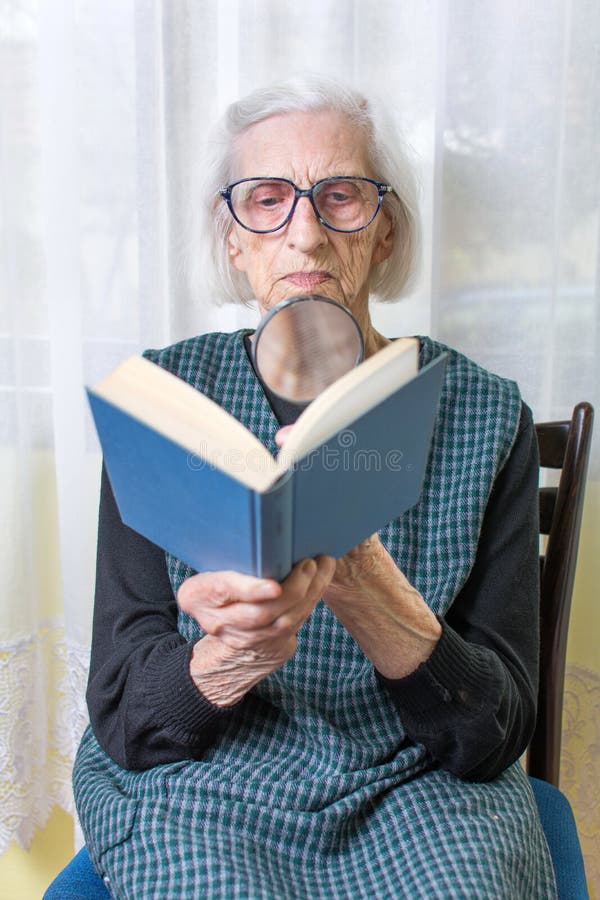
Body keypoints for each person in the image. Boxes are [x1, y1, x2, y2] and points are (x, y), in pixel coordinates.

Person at [73, 74, 556, 898]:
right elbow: (122, 713)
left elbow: (494, 733)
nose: (305, 234)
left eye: (339, 196)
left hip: (420, 787)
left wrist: (367, 587)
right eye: (267, 200)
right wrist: (228, 658)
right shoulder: (161, 402)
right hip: (209, 788)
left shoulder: (488, 412)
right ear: (234, 239)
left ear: (386, 232)